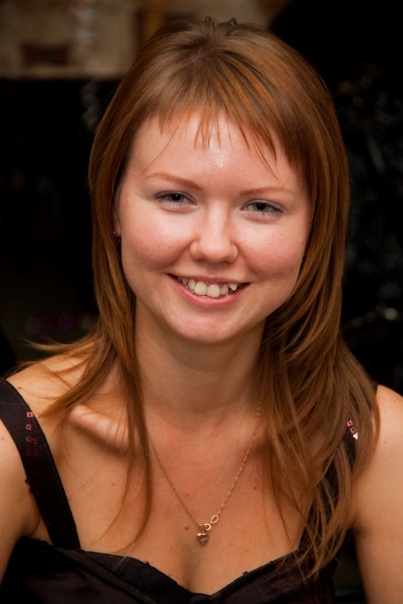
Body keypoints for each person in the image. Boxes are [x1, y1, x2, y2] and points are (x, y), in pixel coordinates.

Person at [0, 16, 402, 603]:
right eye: (175, 197)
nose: (214, 247)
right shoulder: (15, 446)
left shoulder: (375, 440)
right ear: (112, 207)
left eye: (261, 206)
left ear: (315, 230)